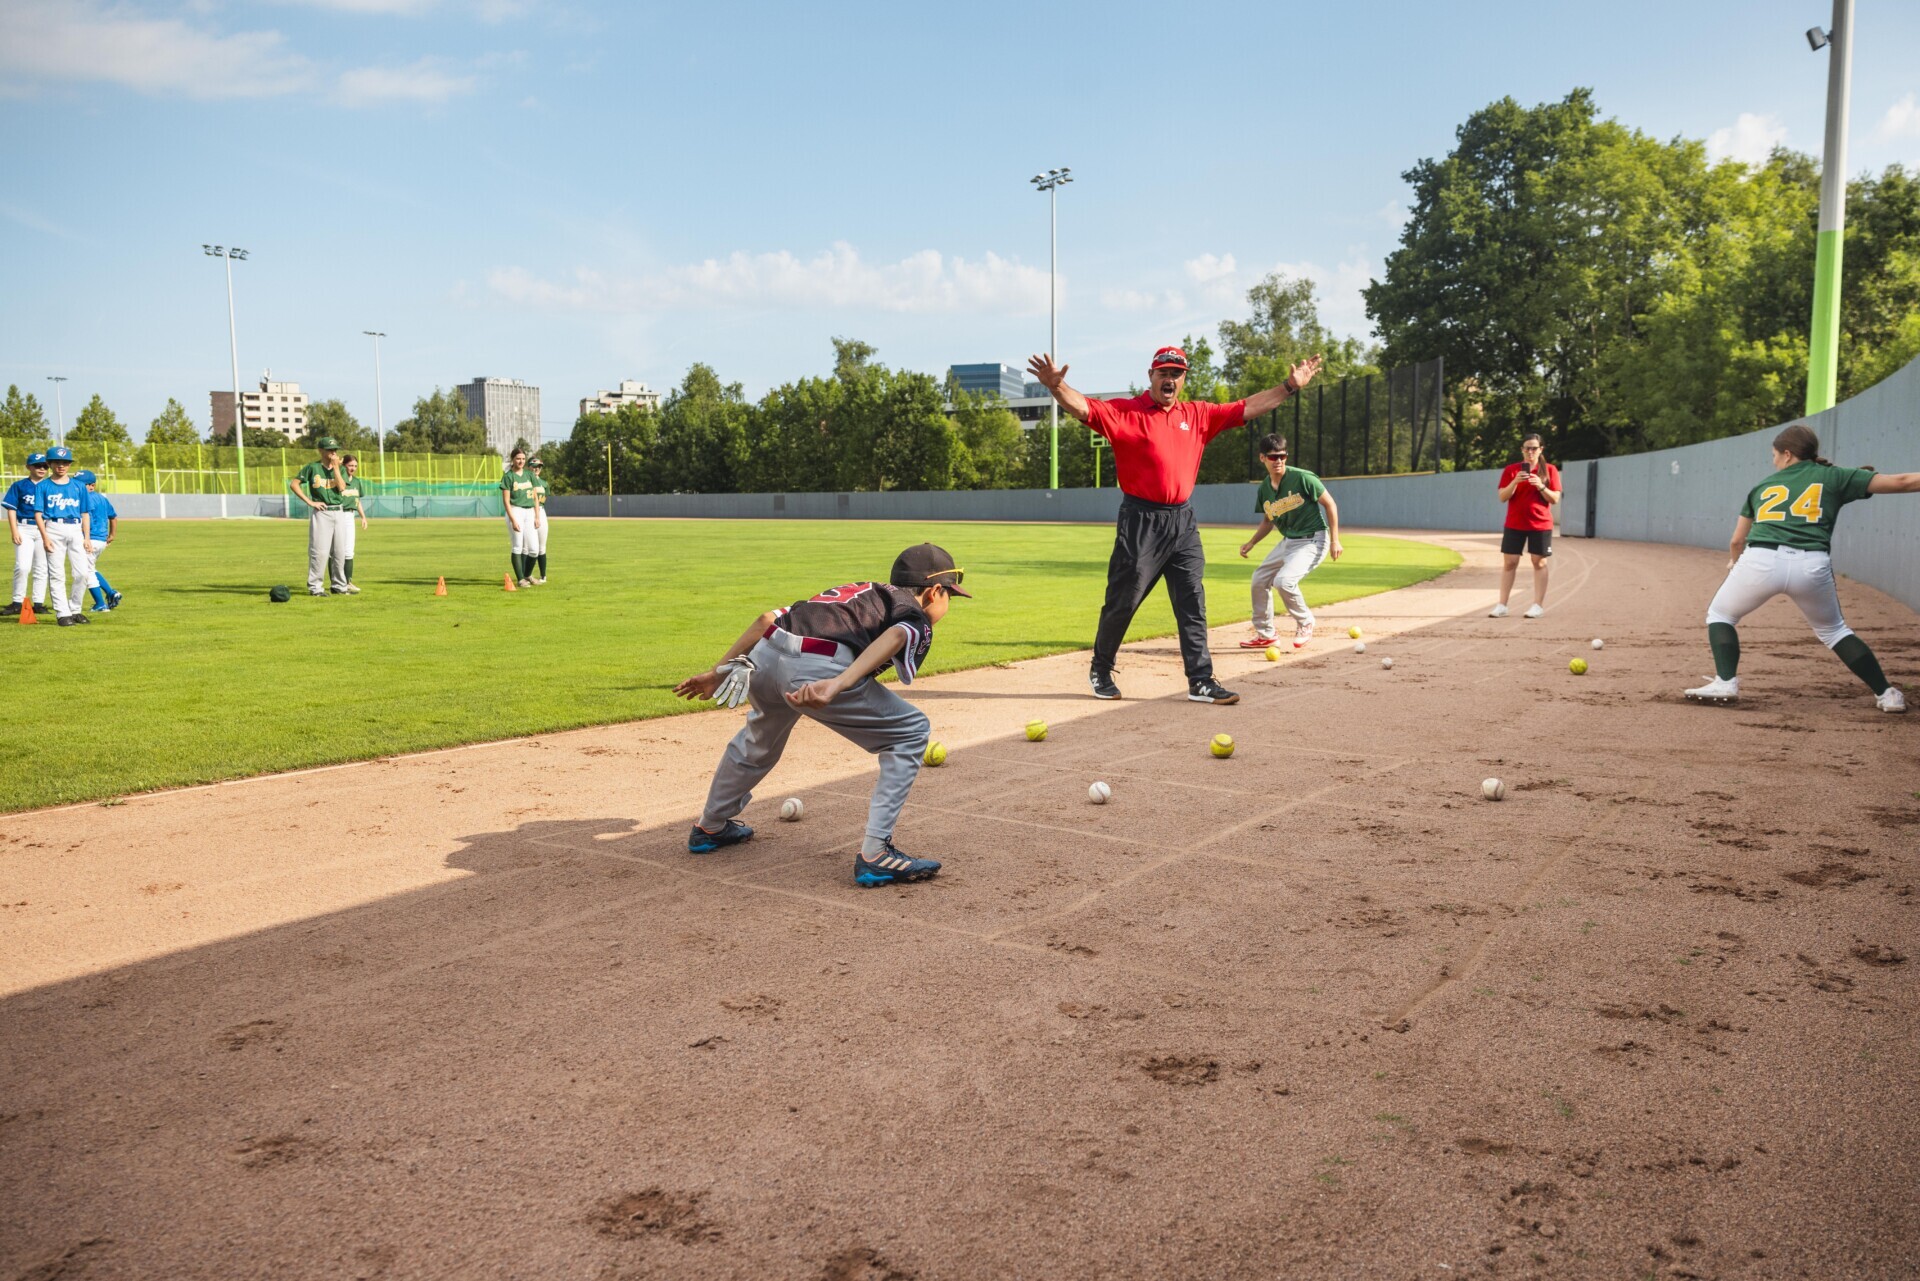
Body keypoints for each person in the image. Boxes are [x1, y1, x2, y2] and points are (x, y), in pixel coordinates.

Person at [1028, 345, 1323, 703]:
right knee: (1124, 600)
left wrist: (1289, 387)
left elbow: (1247, 406)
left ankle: (1201, 680)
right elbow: (1084, 406)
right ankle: (1101, 667)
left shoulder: (1198, 414)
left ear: (1183, 379)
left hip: (1182, 521)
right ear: (1151, 375)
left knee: (1192, 602)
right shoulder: (1126, 412)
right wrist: (1056, 388)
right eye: (1163, 372)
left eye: (1177, 373)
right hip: (1141, 521)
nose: (1170, 379)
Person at [672, 542, 967, 887]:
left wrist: (718, 671)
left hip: (764, 658)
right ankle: (876, 854)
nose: (948, 602)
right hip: (814, 668)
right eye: (950, 595)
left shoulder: (858, 592)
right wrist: (838, 682)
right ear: (934, 591)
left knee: (760, 739)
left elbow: (767, 620)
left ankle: (711, 826)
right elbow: (898, 634)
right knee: (911, 730)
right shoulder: (911, 610)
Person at [1685, 422, 1920, 711]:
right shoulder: (1835, 476)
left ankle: (1725, 682)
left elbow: (1737, 540)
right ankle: (1887, 694)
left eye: (1774, 455)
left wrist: (1736, 562)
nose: (1773, 461)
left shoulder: (1763, 486)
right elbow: (1903, 482)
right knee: (1835, 631)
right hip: (1811, 564)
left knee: (1721, 614)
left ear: (1787, 454)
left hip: (1760, 560)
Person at [1237, 433, 1342, 649]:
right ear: (1262, 458)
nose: (1278, 461)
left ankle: (1306, 622)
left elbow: (1330, 504)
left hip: (1314, 540)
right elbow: (1268, 521)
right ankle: (1266, 634)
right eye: (1273, 457)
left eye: (1282, 456)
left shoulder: (1303, 477)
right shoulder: (1265, 488)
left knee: (1283, 581)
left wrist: (1335, 541)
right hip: (1289, 541)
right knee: (1259, 579)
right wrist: (1252, 542)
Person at [1491, 434, 1561, 618]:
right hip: (1515, 522)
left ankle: (1537, 606)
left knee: (1539, 562)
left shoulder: (1550, 470)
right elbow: (1502, 497)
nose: (1530, 452)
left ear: (1541, 450)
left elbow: (1555, 498)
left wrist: (1540, 485)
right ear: (1522, 450)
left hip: (1540, 523)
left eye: (1534, 448)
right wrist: (1515, 481)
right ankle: (1502, 605)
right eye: (1527, 448)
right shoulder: (1511, 470)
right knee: (1510, 562)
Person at [31, 445, 92, 626]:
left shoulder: (79, 486)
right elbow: (38, 514)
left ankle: (75, 609)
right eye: (57, 462)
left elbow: (85, 513)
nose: (61, 465)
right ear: (49, 464)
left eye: (65, 462)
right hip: (53, 528)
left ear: (69, 465)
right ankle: (62, 613)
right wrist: (45, 537)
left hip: (76, 529)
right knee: (57, 574)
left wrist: (86, 537)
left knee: (82, 573)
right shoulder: (43, 486)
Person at [289, 437, 351, 596]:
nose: (333, 453)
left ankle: (339, 585)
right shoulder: (312, 467)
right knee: (319, 551)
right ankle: (315, 587)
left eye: (335, 450)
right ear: (321, 451)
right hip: (322, 511)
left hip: (339, 511)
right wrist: (310, 502)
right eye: (330, 450)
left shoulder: (340, 468)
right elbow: (294, 484)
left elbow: (342, 487)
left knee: (339, 552)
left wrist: (336, 468)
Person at [3, 450, 50, 617]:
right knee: (22, 566)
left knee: (42, 568)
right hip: (24, 527)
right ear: (28, 467)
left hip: (45, 529)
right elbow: (11, 509)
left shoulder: (49, 486)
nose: (42, 468)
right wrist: (14, 529)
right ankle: (17, 602)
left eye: (45, 465)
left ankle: (38, 603)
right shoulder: (19, 486)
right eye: (38, 465)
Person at [73, 470, 121, 613]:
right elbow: (113, 516)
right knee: (91, 568)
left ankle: (100, 604)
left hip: (89, 539)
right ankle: (111, 593)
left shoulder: (84, 499)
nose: (77, 488)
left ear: (92, 485)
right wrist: (112, 534)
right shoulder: (102, 498)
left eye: (81, 485)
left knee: (87, 572)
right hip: (101, 540)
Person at [501, 448, 537, 587]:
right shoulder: (508, 476)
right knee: (518, 546)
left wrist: (537, 516)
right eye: (518, 458)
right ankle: (520, 579)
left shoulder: (529, 475)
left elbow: (535, 497)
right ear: (513, 460)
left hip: (529, 512)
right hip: (515, 511)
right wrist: (512, 519)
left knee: (533, 549)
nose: (520, 461)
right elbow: (506, 501)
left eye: (523, 458)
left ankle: (527, 575)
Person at [336, 454, 369, 594]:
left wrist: (363, 517)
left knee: (349, 550)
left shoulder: (356, 481)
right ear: (344, 466)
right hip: (338, 514)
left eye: (355, 466)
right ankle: (336, 582)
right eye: (350, 465)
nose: (353, 468)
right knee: (336, 551)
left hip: (350, 515)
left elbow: (357, 500)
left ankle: (348, 582)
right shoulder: (338, 480)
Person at [528, 457, 550, 584]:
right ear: (529, 467)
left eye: (539, 466)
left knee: (542, 547)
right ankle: (526, 575)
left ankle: (543, 576)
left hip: (541, 511)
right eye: (534, 466)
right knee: (527, 547)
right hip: (528, 511)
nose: (537, 469)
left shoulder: (544, 483)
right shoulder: (526, 481)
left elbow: (544, 499)